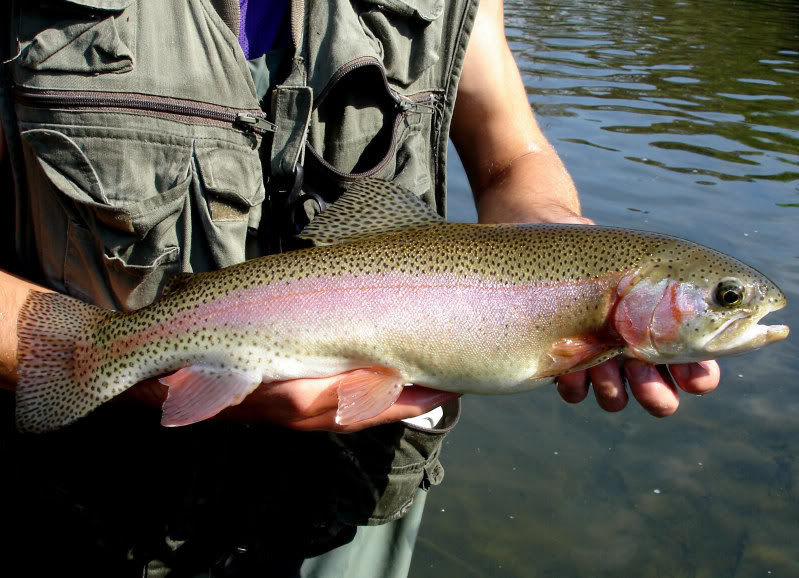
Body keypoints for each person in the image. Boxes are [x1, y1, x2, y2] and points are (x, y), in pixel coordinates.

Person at [0, 0, 720, 575]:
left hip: (352, 501)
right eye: (723, 298)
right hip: (85, 503)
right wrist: (134, 376)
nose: (732, 311)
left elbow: (512, 153)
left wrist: (554, 240)